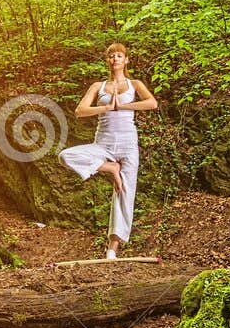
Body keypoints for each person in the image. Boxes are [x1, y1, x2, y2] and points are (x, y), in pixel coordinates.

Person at [59, 42, 159, 259]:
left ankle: (113, 248)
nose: (115, 59)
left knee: (124, 193)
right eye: (111, 56)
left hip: (127, 143)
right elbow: (80, 111)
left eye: (119, 55)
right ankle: (110, 167)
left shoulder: (134, 84)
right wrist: (106, 107)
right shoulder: (98, 86)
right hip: (103, 144)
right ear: (107, 61)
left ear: (126, 60)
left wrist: (122, 107)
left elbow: (152, 103)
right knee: (66, 156)